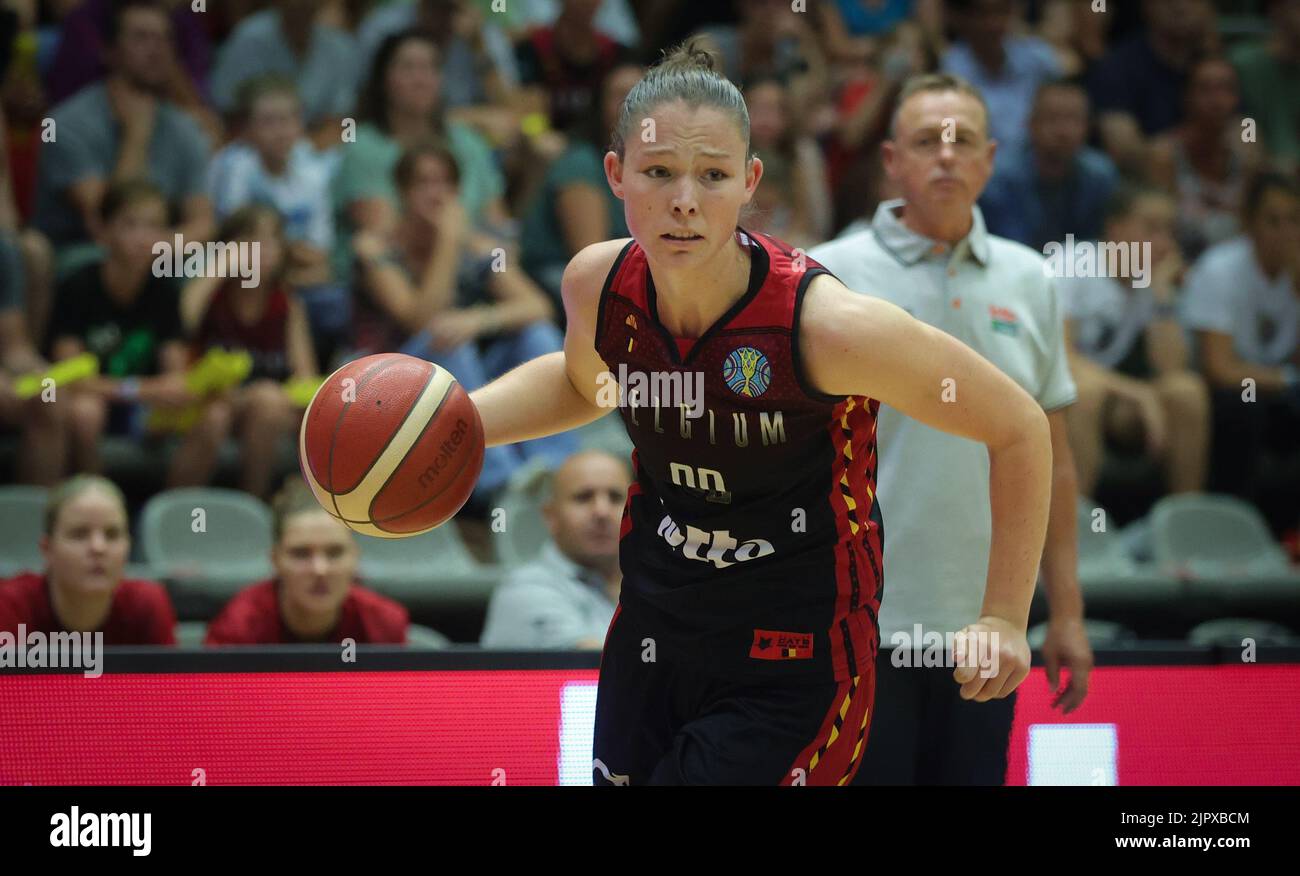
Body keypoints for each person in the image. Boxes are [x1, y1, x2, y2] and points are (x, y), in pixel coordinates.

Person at [467, 45, 1053, 785]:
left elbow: (1019, 426)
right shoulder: (600, 284)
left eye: (712, 175)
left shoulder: (826, 325)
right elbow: (590, 385)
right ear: (616, 174)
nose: (685, 199)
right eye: (658, 173)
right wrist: (459, 420)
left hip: (795, 663)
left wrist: (1004, 616)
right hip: (654, 636)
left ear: (749, 182)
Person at [810, 72, 1093, 785]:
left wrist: (1064, 614)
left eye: (963, 140)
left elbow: (1054, 464)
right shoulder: (830, 275)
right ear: (890, 160)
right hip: (857, 628)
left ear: (991, 159)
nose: (946, 156)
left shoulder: (1029, 279)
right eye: (926, 141)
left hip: (987, 630)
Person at [353, 141, 576, 501]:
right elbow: (419, 319)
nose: (435, 193)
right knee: (448, 340)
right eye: (423, 183)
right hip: (393, 384)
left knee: (537, 335)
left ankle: (558, 466)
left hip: (465, 374)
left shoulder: (479, 248)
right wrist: (447, 241)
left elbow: (538, 306)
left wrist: (478, 318)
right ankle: (500, 479)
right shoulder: (375, 250)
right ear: (402, 192)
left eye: (444, 183)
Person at [44, 180, 211, 485]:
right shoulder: (78, 287)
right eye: (130, 225)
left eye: (153, 226)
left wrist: (180, 389)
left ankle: (172, 514)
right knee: (84, 412)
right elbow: (70, 378)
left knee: (212, 415)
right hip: (98, 403)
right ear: (104, 230)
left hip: (144, 412)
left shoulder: (164, 292)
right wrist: (141, 390)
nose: (142, 237)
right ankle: (98, 505)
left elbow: (173, 373)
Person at [32, 0, 213, 275]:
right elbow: (105, 223)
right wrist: (136, 135)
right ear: (109, 52)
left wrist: (161, 245)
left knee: (212, 266)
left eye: (164, 38)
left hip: (159, 250)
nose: (156, 49)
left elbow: (203, 221)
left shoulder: (184, 127)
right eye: (141, 37)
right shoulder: (65, 124)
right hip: (82, 252)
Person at [1061, 186, 1209, 497]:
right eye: (1152, 228)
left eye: (1170, 230)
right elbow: (1060, 360)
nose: (1165, 242)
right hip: (1055, 394)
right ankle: (1072, 530)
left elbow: (1171, 368)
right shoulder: (1071, 265)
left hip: (1111, 396)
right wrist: (1139, 393)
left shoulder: (1149, 279)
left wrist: (1162, 297)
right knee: (1086, 392)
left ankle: (1184, 523)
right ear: (1115, 228)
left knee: (1186, 391)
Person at [1181, 172, 1300, 527]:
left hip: (1277, 391)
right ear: (1249, 223)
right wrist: (1288, 379)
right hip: (1219, 394)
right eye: (1273, 220)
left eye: (1295, 220)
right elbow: (1220, 368)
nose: (1286, 231)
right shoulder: (1221, 270)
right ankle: (1228, 529)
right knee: (1244, 407)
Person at [179, 206, 318, 499]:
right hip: (207, 402)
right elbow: (183, 319)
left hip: (269, 410)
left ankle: (253, 506)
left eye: (272, 240)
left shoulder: (287, 305)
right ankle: (178, 514)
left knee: (268, 403)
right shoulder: (212, 296)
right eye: (252, 240)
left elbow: (305, 378)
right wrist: (219, 268)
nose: (263, 250)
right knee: (216, 415)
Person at [205, 478, 408, 645]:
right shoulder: (238, 628)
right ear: (275, 560)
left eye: (334, 552)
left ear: (356, 556)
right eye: (301, 554)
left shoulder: (384, 622)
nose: (320, 569)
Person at [0, 475, 176, 645]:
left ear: (128, 546)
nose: (98, 547)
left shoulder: (147, 605)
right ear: (47, 549)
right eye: (79, 534)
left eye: (112, 534)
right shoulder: (9, 605)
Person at [480, 450, 628, 649]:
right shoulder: (523, 590)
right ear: (551, 516)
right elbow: (593, 664)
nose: (602, 511)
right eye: (583, 497)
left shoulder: (654, 582)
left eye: (616, 497)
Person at [979, 79, 1119, 251]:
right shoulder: (999, 177)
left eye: (1073, 119)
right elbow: (1008, 248)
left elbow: (1105, 242)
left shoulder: (1101, 175)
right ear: (1031, 124)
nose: (1063, 131)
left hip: (1081, 271)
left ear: (1088, 127)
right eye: (1052, 119)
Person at [1148, 56, 1258, 261]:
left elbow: (1257, 222)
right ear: (1186, 97)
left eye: (1226, 89)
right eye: (1205, 89)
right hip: (1182, 266)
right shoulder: (1164, 154)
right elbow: (1157, 231)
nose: (1217, 100)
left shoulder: (1248, 144)